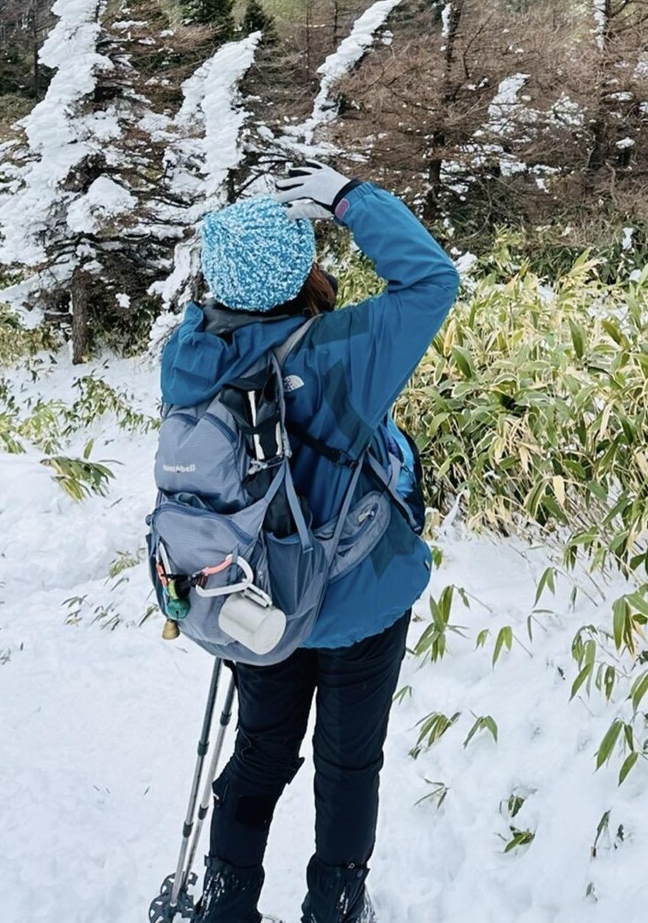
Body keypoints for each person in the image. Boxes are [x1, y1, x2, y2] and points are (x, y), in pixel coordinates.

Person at [159, 161, 460, 923]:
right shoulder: (342, 351)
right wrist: (349, 199)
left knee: (260, 749)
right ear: (300, 269)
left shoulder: (188, 353)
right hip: (357, 595)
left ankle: (225, 901)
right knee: (348, 762)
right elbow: (430, 280)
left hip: (248, 593)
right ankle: (334, 903)